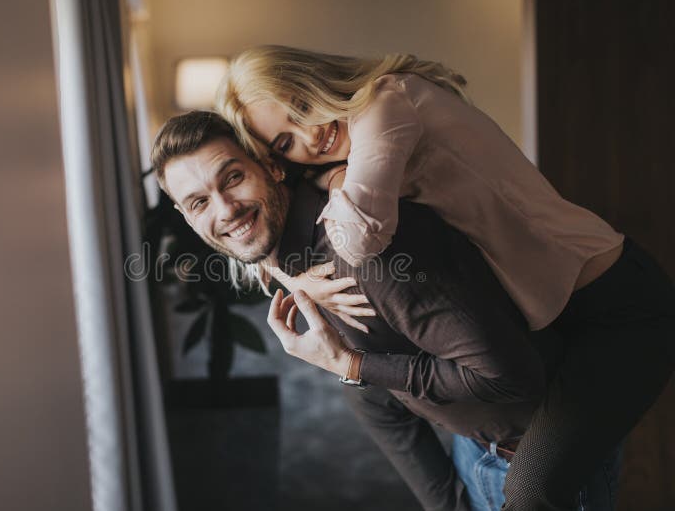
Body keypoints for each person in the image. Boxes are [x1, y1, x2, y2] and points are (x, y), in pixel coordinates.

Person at [214, 45, 675, 510]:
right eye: (286, 143)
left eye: (300, 108)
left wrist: (328, 188)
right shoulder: (348, 155)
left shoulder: (387, 104)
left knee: (531, 490)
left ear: (313, 80)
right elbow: (261, 238)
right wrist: (290, 273)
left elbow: (359, 239)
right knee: (378, 399)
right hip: (560, 319)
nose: (310, 136)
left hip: (619, 307)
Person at [149, 111, 634, 510]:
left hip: (536, 465)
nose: (225, 210)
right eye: (198, 202)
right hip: (473, 448)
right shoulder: (291, 258)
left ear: (270, 167)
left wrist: (350, 365)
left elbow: (511, 376)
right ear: (186, 217)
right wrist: (444, 502)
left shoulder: (364, 254)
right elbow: (374, 394)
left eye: (232, 178)